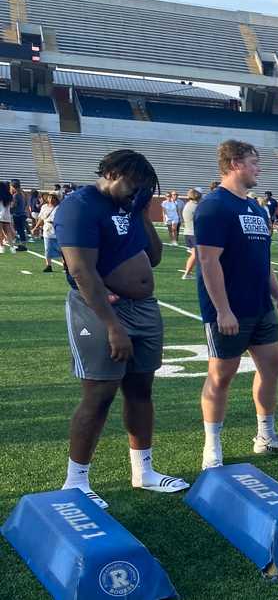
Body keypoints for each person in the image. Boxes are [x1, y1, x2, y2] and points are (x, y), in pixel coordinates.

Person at [56, 150, 188, 509]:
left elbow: (154, 257)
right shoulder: (81, 205)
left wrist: (142, 213)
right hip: (101, 310)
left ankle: (144, 471)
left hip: (143, 307)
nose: (137, 192)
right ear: (112, 173)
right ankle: (75, 481)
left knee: (141, 390)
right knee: (100, 393)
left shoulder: (129, 207)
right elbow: (81, 271)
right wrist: (112, 327)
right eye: (133, 185)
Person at [195, 140, 278, 471]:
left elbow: (262, 262)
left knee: (272, 366)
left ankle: (266, 436)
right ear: (234, 164)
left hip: (260, 307)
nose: (259, 168)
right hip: (230, 309)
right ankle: (211, 446)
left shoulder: (256, 209)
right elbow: (208, 261)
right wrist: (222, 310)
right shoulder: (214, 206)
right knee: (221, 375)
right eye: (253, 162)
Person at [33, 191, 62, 272]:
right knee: (47, 248)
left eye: (53, 197)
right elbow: (41, 218)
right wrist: (35, 227)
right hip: (47, 228)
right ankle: (48, 265)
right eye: (49, 197)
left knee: (62, 249)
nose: (51, 199)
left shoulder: (60, 207)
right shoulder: (44, 207)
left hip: (58, 228)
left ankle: (65, 264)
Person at [180, 189, 201, 280]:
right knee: (196, 255)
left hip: (188, 232)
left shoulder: (188, 204)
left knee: (195, 254)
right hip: (193, 233)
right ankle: (187, 274)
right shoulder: (196, 206)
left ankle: (187, 273)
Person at [11, 178, 28, 249]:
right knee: (20, 230)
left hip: (18, 214)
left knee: (20, 230)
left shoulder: (16, 195)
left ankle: (23, 245)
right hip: (22, 213)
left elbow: (14, 205)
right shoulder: (22, 194)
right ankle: (22, 243)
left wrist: (8, 207)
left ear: (13, 186)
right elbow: (25, 203)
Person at [0, 181, 16, 253]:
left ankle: (2, 247)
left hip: (0, 215)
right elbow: (12, 206)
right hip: (7, 215)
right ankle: (12, 248)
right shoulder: (9, 196)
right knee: (8, 232)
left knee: (0, 232)